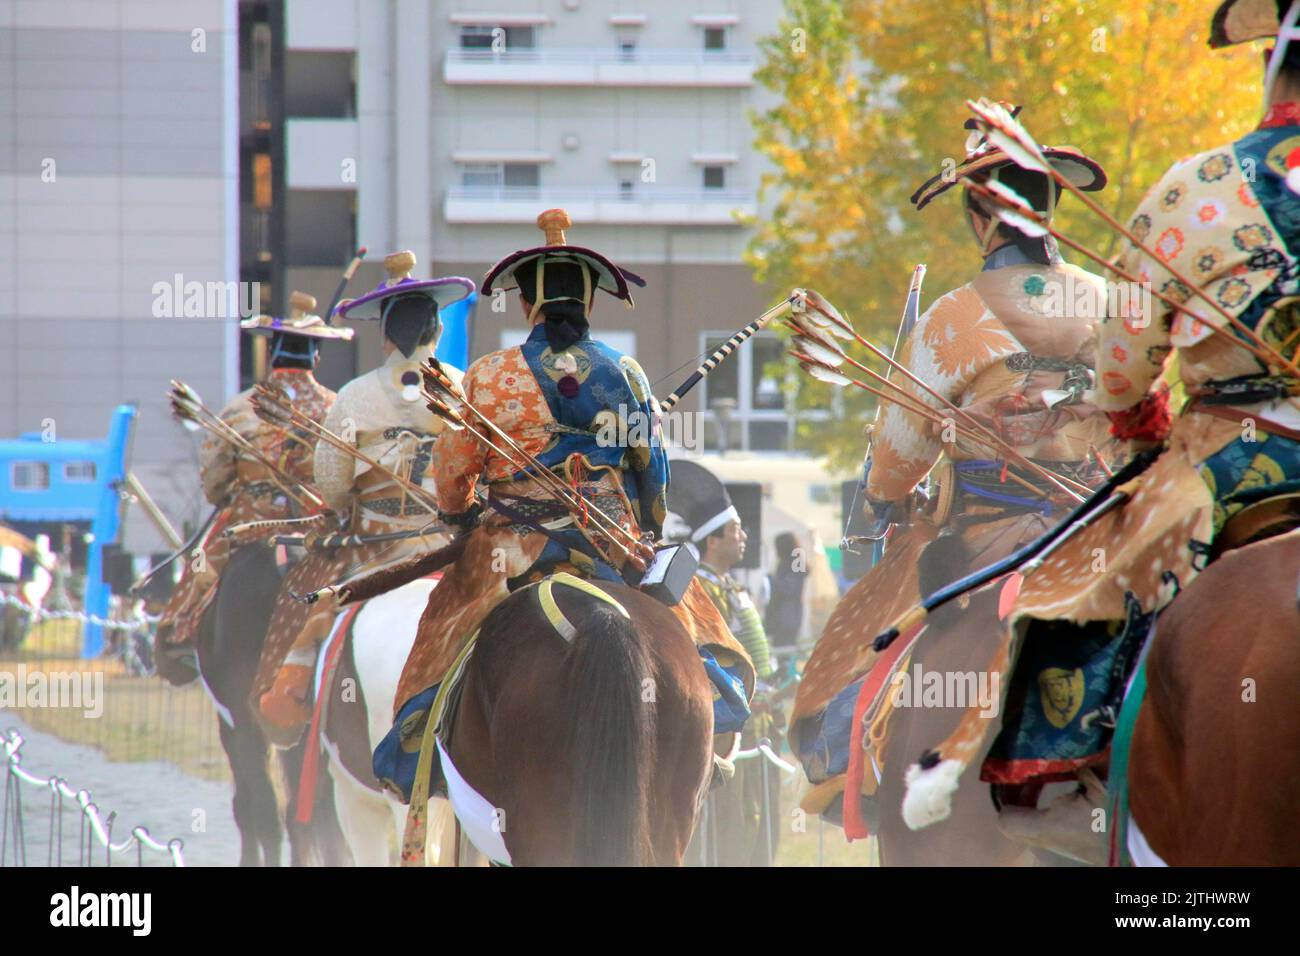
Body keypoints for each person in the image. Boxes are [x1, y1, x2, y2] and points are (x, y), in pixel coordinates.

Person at [976, 0, 1300, 834]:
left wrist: (1144, 424)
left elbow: (1120, 370)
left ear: (1270, 60)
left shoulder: (1194, 189)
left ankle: (1060, 758)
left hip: (1229, 459)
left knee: (1078, 592)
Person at [789, 111, 1118, 825]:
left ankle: (854, 760)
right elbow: (1138, 418)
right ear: (1054, 204)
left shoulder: (952, 316)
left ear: (980, 217)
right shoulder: (1109, 301)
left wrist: (885, 498)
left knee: (870, 654)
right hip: (1100, 526)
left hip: (983, 530)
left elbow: (897, 462)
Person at [374, 209, 755, 803]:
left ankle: (418, 736)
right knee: (690, 629)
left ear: (528, 304)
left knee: (444, 627)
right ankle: (713, 706)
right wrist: (647, 525)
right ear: (587, 300)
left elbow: (452, 473)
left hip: (509, 550)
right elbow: (654, 471)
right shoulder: (621, 371)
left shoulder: (487, 376)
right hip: (611, 544)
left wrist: (457, 516)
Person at [254, 254, 474, 740]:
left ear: (387, 337)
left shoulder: (354, 396)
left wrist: (348, 503)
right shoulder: (464, 388)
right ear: (436, 333)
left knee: (309, 612)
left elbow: (331, 487)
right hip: (455, 556)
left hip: (374, 555)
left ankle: (293, 702)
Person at [154, 291, 352, 685]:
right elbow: (346, 484)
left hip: (247, 525)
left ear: (274, 350)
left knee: (199, 572)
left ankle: (177, 635)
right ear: (315, 356)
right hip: (317, 528)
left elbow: (214, 484)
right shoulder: (338, 408)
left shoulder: (239, 408)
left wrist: (239, 493)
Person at [688, 488, 782, 866]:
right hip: (729, 728)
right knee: (733, 823)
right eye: (735, 530)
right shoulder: (702, 589)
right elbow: (710, 657)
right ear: (713, 540)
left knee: (761, 818)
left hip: (760, 720)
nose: (744, 537)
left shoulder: (733, 587)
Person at [764, 530, 808, 650]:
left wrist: (772, 581)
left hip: (786, 615)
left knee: (784, 650)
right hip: (785, 615)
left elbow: (790, 589)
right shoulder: (785, 565)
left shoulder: (795, 565)